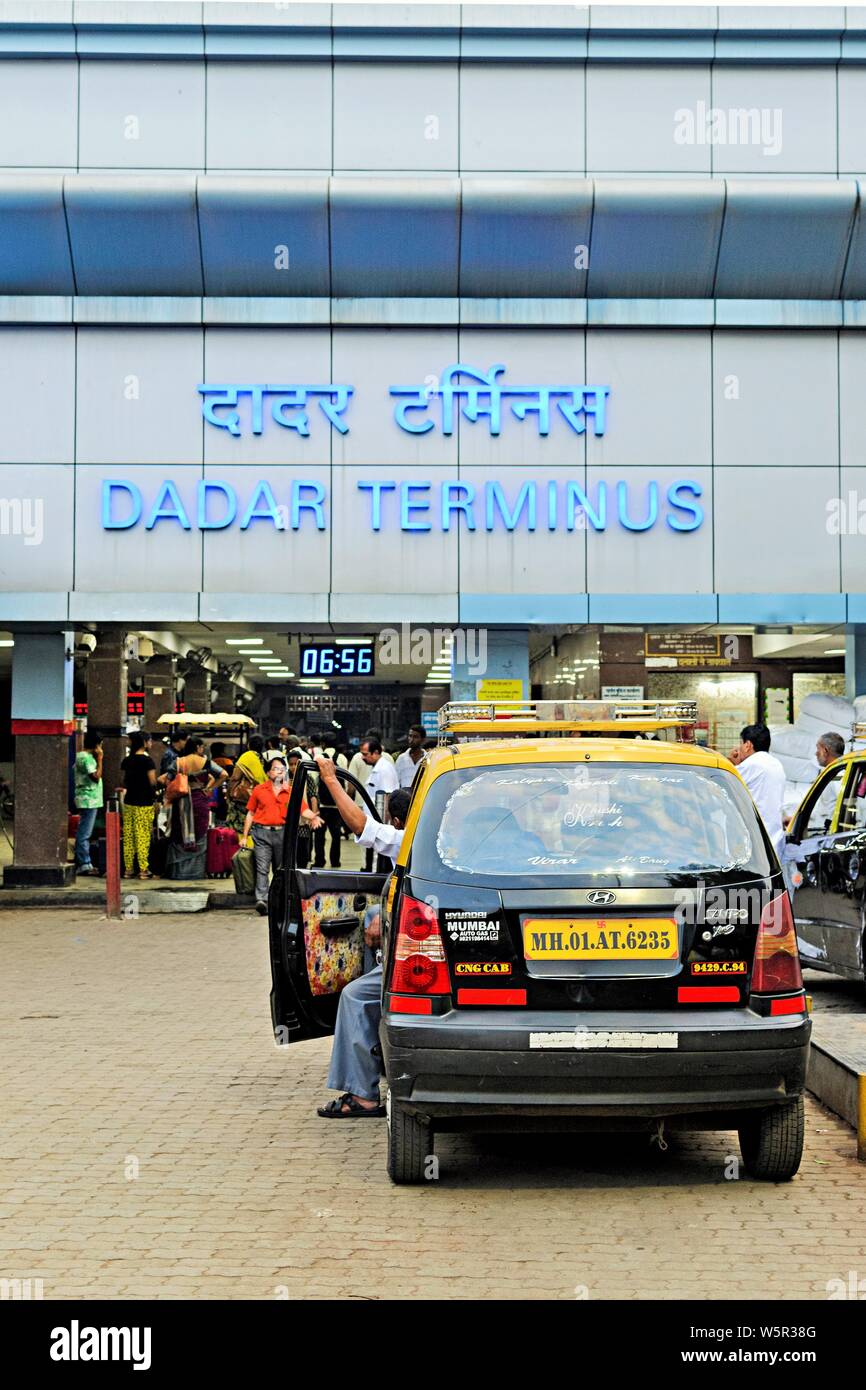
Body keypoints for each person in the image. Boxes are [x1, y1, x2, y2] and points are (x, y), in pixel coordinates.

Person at [312, 756, 411, 1118]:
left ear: (396, 820)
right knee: (370, 916)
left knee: (354, 997)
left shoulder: (408, 839)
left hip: (415, 956)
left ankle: (364, 1097)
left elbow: (359, 824)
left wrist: (330, 780)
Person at [243, 754, 322, 915]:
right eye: (275, 769)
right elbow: (250, 813)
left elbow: (303, 810)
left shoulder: (291, 791)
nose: (279, 771)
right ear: (268, 772)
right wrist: (244, 836)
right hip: (261, 833)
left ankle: (278, 899)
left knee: (281, 869)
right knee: (262, 868)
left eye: (282, 769)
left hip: (283, 834)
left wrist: (313, 817)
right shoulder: (259, 790)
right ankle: (262, 900)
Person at [732, 723, 786, 856]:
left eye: (741, 743)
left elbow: (728, 782)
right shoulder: (775, 763)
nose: (739, 748)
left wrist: (732, 761)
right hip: (775, 838)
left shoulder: (752, 764)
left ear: (747, 745)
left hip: (757, 841)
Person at [166, 738, 213, 879]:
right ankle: (196, 872)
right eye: (202, 747)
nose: (202, 750)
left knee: (179, 832)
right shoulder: (205, 762)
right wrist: (208, 788)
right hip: (200, 802)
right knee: (200, 832)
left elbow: (166, 779)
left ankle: (178, 872)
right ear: (197, 747)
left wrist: (177, 786)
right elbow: (223, 774)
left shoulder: (178, 762)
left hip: (181, 802)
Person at [120, 730, 158, 879]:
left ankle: (128, 869)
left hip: (129, 801)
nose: (151, 743)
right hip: (144, 802)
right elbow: (152, 782)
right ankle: (143, 869)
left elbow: (123, 781)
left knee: (129, 836)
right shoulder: (147, 761)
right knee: (142, 835)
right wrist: (156, 797)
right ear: (144, 742)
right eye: (149, 740)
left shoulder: (127, 760)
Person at [360, 735, 400, 870]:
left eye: (365, 754)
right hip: (374, 823)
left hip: (380, 824)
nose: (363, 758)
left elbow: (388, 797)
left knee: (378, 863)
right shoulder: (377, 768)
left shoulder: (384, 769)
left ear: (376, 752)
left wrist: (384, 825)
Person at [74, 729, 103, 875]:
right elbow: (96, 777)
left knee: (85, 832)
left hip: (90, 799)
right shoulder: (85, 758)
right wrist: (100, 759)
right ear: (97, 744)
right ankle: (84, 864)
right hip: (88, 799)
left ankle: (86, 862)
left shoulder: (84, 756)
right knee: (84, 833)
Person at [313, 744, 348, 868]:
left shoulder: (318, 757)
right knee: (336, 836)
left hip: (322, 806)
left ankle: (319, 860)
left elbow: (315, 780)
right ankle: (335, 861)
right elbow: (345, 781)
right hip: (336, 806)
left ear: (323, 744)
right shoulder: (342, 758)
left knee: (319, 836)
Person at [225, 734, 266, 835]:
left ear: (249, 744)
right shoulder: (261, 758)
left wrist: (228, 794)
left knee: (239, 828)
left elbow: (235, 777)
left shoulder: (247, 756)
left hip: (243, 799)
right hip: (259, 798)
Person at [287, 747, 319, 869]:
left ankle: (301, 871)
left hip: (303, 820)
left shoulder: (307, 777)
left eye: (296, 764)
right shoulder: (283, 778)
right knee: (289, 849)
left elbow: (313, 797)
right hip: (287, 820)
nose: (293, 767)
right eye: (291, 764)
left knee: (302, 849)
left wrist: (313, 816)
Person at [395, 724, 427, 789]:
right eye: (410, 736)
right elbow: (395, 782)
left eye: (415, 737)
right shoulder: (401, 759)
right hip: (404, 794)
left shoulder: (428, 759)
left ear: (422, 740)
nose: (411, 740)